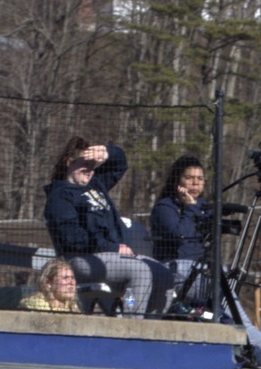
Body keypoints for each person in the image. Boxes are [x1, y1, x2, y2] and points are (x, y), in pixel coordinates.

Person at [42, 136, 173, 317]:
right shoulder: (59, 197)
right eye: (85, 163)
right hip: (81, 260)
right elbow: (73, 238)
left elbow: (120, 164)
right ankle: (132, 327)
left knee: (162, 274)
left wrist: (106, 152)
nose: (89, 170)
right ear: (69, 162)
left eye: (93, 165)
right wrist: (112, 247)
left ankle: (149, 324)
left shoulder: (96, 184)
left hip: (111, 257)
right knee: (141, 271)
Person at [149, 154, 215, 312]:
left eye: (200, 179)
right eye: (189, 178)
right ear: (177, 180)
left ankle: (245, 331)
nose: (195, 183)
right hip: (174, 267)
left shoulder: (206, 207)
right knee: (218, 294)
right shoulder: (165, 208)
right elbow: (182, 234)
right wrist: (190, 208)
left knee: (224, 277)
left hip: (202, 269)